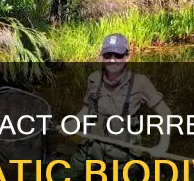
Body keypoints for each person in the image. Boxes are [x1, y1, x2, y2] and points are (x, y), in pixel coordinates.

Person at [72, 33, 172, 161]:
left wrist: (162, 146)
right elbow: (87, 108)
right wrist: (73, 122)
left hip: (125, 156)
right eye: (108, 55)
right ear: (101, 56)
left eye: (118, 55)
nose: (112, 60)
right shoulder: (93, 79)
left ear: (127, 57)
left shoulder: (140, 82)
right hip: (92, 151)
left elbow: (165, 113)